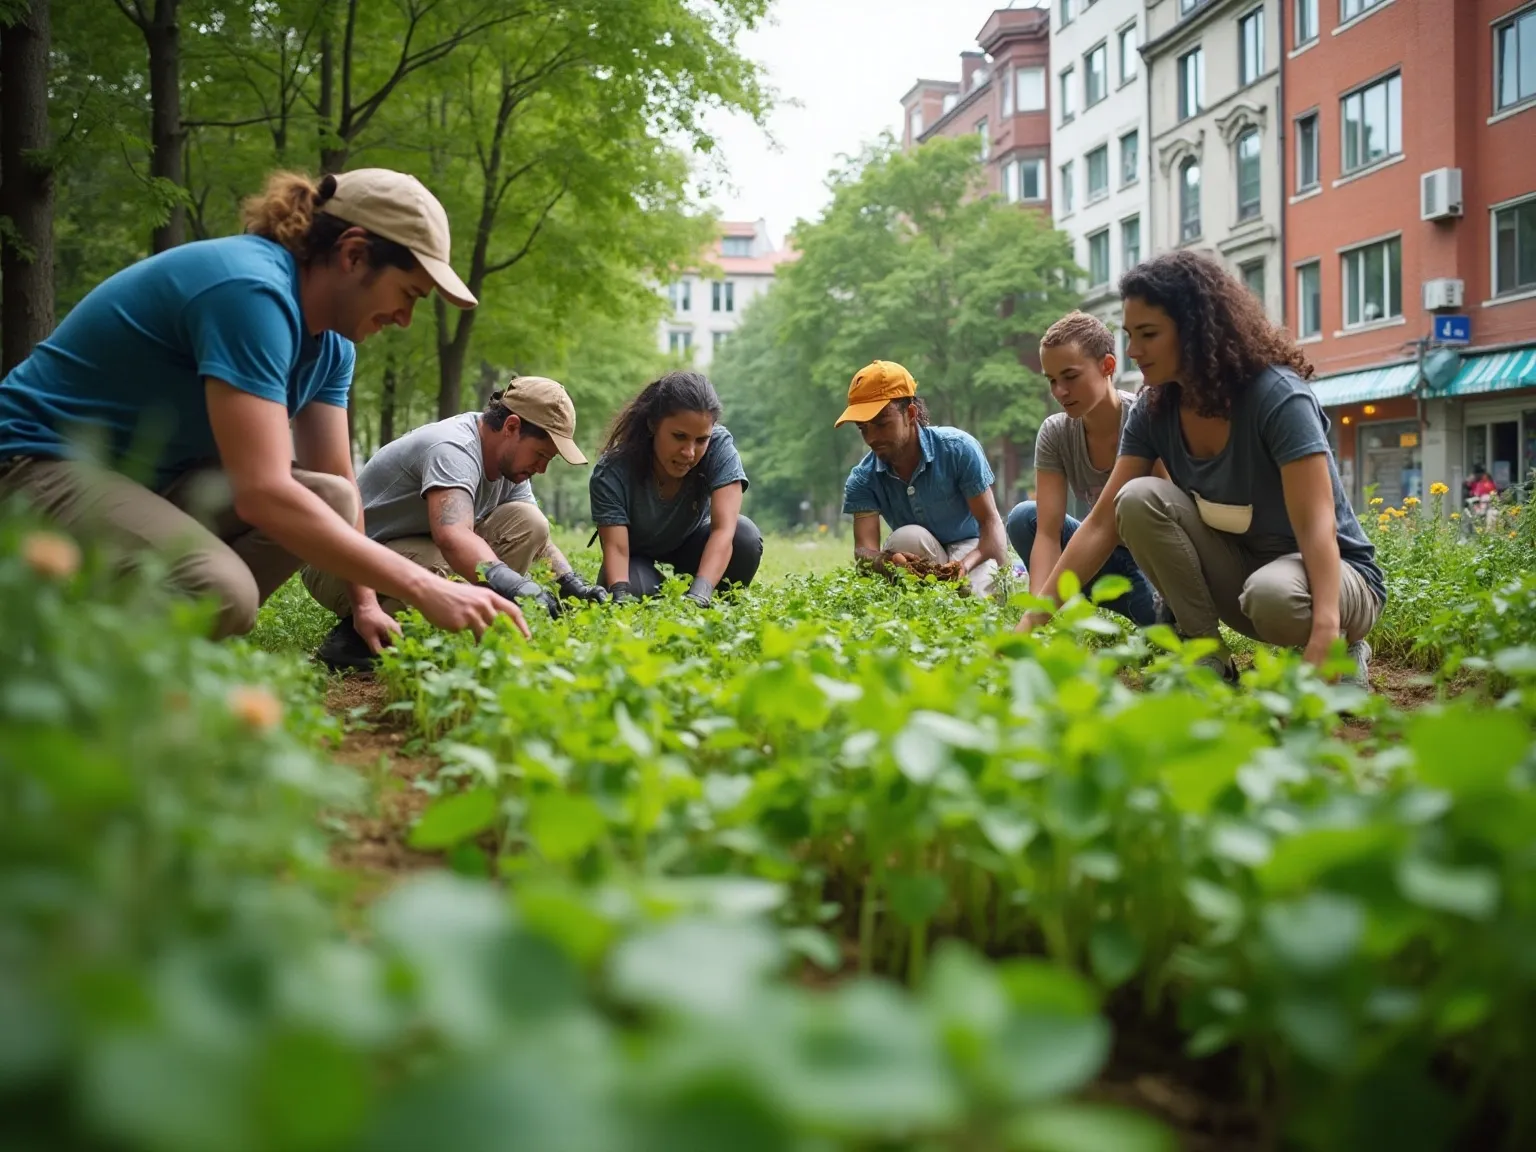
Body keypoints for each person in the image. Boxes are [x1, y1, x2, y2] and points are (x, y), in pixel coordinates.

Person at [0, 167, 526, 647]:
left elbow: (336, 477)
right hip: (32, 463)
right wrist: (422, 588)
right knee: (222, 590)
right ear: (354, 254)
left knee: (334, 498)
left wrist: (366, 603)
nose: (406, 318)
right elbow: (263, 493)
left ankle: (160, 636)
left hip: (143, 480)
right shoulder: (250, 291)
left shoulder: (332, 344)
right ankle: (77, 661)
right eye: (407, 293)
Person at [1019, 250, 1385, 686]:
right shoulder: (1153, 411)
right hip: (1246, 578)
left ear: (1193, 330)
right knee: (1134, 499)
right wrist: (1026, 630)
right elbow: (1099, 525)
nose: (1133, 351)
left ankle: (1345, 643)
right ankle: (1207, 655)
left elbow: (1316, 524)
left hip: (1332, 578)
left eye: (1148, 334)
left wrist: (1325, 624)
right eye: (1130, 335)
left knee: (1274, 596)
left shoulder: (1278, 396)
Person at [303, 376, 607, 670]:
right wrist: (514, 585)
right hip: (341, 565)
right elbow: (453, 537)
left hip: (403, 554)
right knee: (452, 567)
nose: (541, 468)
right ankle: (356, 640)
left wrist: (571, 585)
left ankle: (434, 627)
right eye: (541, 454)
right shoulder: (454, 447)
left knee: (529, 523)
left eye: (548, 460)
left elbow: (537, 539)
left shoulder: (510, 465)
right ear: (512, 427)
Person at [1007, 312, 1158, 626]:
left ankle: (1156, 613)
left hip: (1154, 562)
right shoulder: (1056, 433)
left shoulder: (1145, 420)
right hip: (1098, 553)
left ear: (1107, 366)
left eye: (1070, 376)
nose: (1059, 391)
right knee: (1025, 518)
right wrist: (1036, 617)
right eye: (1051, 380)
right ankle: (1074, 608)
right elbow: (1048, 533)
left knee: (1159, 623)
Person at [836, 360, 1007, 597]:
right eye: (863, 428)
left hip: (974, 548)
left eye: (882, 424)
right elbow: (864, 551)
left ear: (910, 414)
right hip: (920, 551)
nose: (872, 437)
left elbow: (990, 524)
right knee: (905, 538)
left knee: (977, 602)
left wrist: (965, 565)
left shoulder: (958, 449)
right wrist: (888, 562)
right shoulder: (863, 479)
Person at [589, 371, 761, 603]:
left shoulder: (720, 447)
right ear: (653, 424)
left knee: (744, 536)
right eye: (679, 436)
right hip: (636, 560)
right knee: (634, 592)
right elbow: (617, 549)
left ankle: (712, 615)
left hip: (693, 550)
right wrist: (620, 597)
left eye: (701, 440)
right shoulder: (612, 471)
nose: (689, 453)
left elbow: (724, 532)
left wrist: (700, 595)